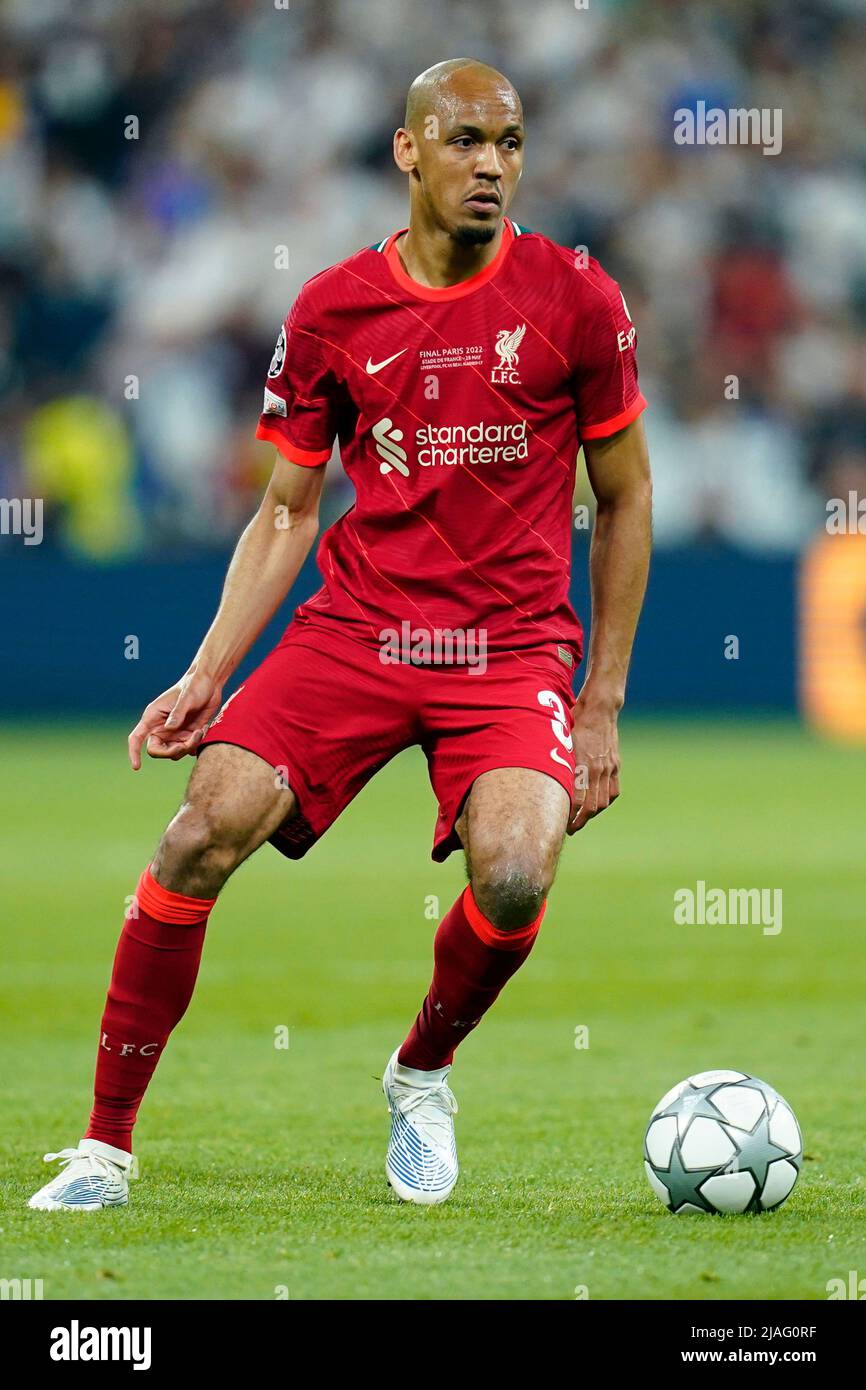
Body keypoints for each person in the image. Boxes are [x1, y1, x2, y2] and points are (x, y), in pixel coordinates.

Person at [29, 57, 651, 1211]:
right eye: (464, 140)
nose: (491, 165)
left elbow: (623, 497)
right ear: (408, 150)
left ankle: (420, 1071)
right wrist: (206, 671)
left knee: (515, 872)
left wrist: (601, 699)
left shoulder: (576, 297)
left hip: (510, 648)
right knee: (199, 832)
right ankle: (104, 1151)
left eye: (509, 142)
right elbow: (285, 507)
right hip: (359, 631)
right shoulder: (330, 308)